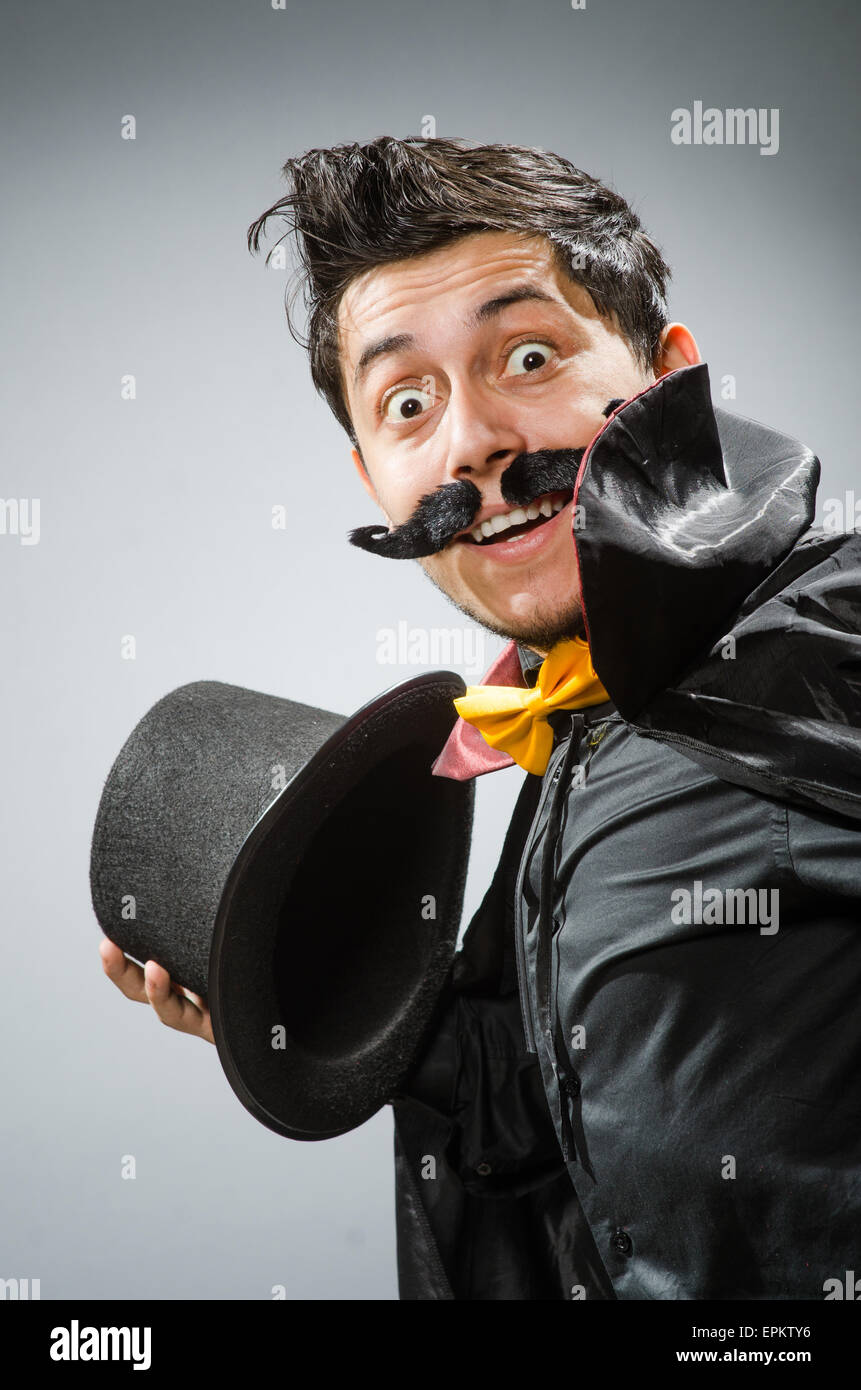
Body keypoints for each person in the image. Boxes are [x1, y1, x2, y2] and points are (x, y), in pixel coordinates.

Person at [100, 136, 861, 1300]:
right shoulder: (568, 733)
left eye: (529, 353)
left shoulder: (837, 638)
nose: (475, 445)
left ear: (669, 372)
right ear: (372, 480)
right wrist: (338, 1012)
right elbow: (575, 1098)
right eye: (409, 402)